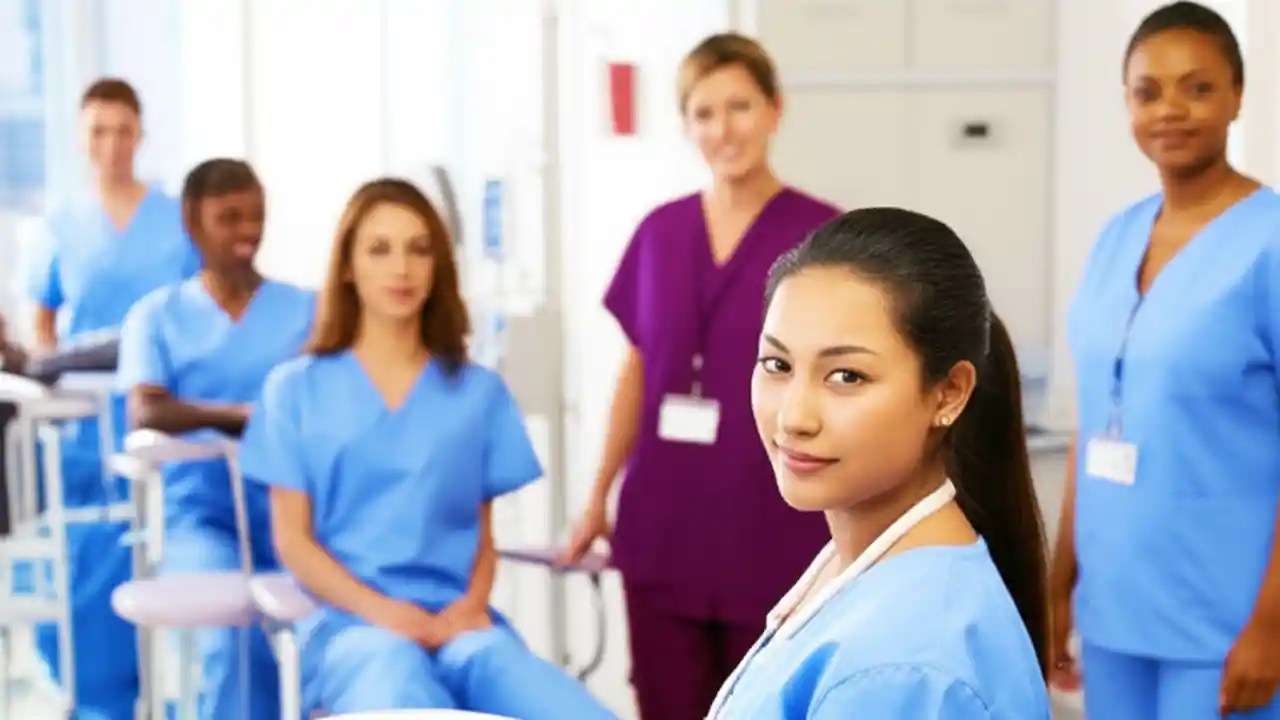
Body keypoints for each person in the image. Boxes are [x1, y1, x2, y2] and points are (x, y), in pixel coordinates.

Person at [238, 178, 616, 719]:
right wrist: (389, 615)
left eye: (419, 249)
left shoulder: (476, 393)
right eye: (380, 249)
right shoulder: (294, 391)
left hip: (461, 625)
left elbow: (482, 537)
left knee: (560, 706)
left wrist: (468, 608)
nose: (402, 268)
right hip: (353, 628)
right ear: (347, 267)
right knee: (396, 685)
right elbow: (293, 541)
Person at [560, 33, 839, 719]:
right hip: (664, 526)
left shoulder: (825, 239)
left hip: (772, 525)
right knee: (666, 703)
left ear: (775, 109)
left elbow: (846, 382)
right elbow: (636, 370)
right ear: (686, 124)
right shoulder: (659, 233)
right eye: (704, 112)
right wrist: (598, 496)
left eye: (739, 106)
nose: (723, 129)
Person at [706, 207, 1051, 718]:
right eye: (777, 365)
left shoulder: (901, 665)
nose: (794, 417)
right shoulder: (873, 572)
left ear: (948, 393)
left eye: (846, 376)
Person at [1050, 3, 1280, 718]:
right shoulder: (1114, 238)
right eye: (1148, 91)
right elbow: (1095, 425)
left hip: (1225, 621)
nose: (1170, 110)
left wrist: (1272, 626)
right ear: (1127, 103)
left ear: (1238, 95)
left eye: (1198, 87)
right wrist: (1058, 586)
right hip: (1114, 611)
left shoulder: (1268, 243)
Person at [24, 77, 199, 720]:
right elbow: (42, 326)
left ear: (141, 135)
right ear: (81, 139)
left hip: (153, 416)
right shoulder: (60, 226)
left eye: (124, 130)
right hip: (80, 429)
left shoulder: (175, 220)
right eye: (99, 130)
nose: (112, 144)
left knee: (159, 551)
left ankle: (163, 699)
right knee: (85, 566)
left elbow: (192, 316)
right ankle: (93, 701)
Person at [116, 159, 314, 720]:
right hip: (200, 520)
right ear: (193, 222)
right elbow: (146, 410)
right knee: (233, 640)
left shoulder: (305, 311)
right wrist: (245, 417)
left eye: (255, 217)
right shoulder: (157, 317)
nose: (247, 232)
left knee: (332, 640)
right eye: (229, 218)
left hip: (297, 515)